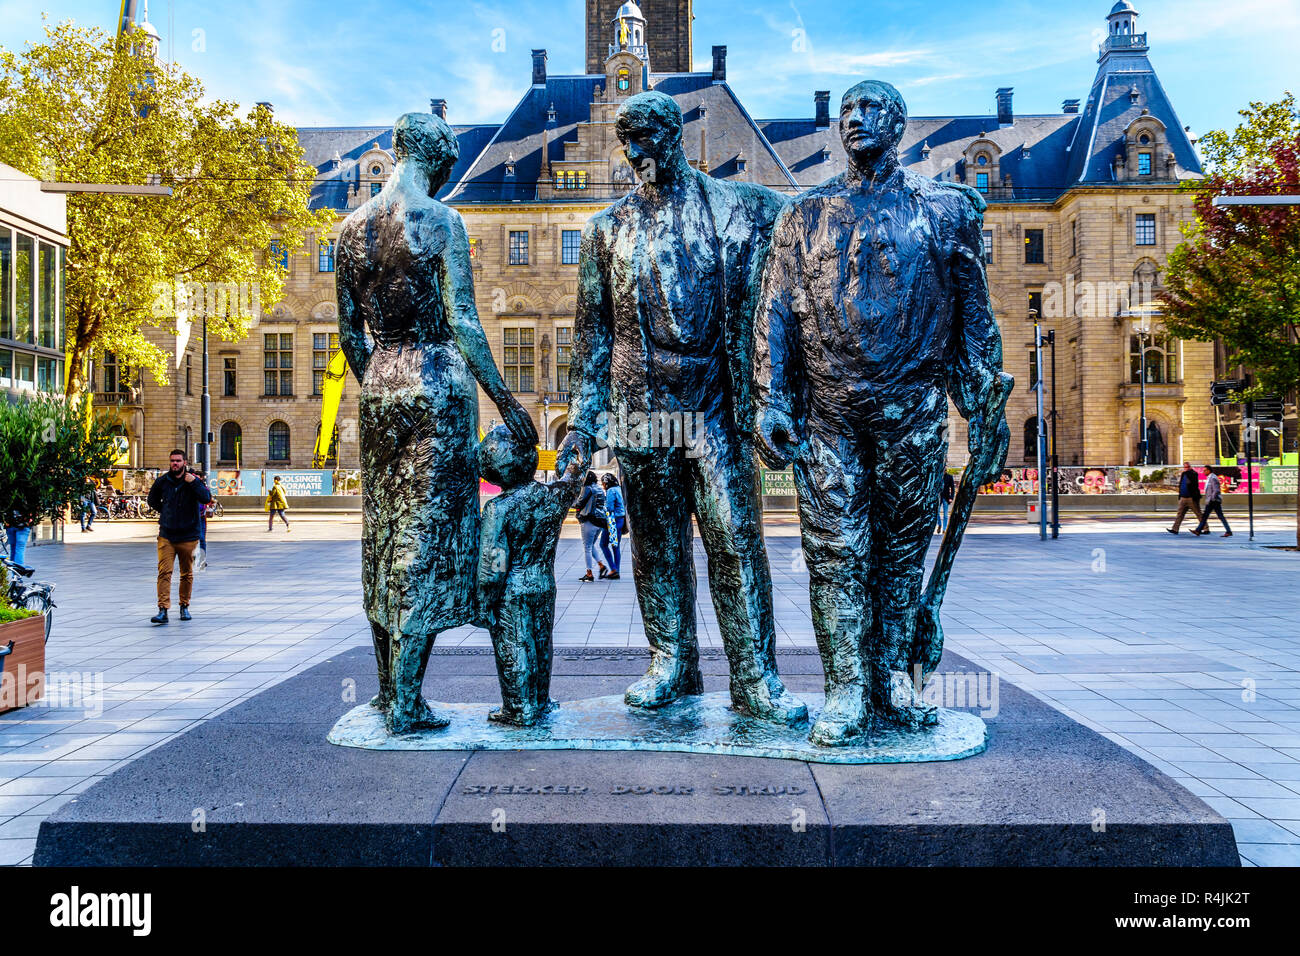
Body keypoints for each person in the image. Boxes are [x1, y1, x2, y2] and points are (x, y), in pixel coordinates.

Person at [755, 80, 1008, 744]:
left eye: (869, 110)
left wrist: (984, 403)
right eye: (846, 113)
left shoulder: (946, 211)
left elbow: (973, 317)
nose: (854, 121)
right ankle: (845, 692)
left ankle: (893, 680)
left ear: (898, 123)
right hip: (828, 419)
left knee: (900, 554)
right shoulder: (801, 215)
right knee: (836, 555)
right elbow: (775, 313)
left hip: (914, 416)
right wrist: (772, 399)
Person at [559, 90, 807, 726]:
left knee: (734, 537)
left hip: (715, 408)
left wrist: (944, 206)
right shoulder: (604, 231)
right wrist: (584, 421)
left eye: (647, 141)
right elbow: (592, 336)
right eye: (627, 143)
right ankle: (671, 660)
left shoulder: (743, 207)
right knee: (656, 546)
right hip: (642, 410)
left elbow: (819, 214)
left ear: (675, 139)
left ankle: (755, 677)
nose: (635, 155)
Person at [336, 111, 537, 734]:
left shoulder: (349, 229)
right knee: (425, 534)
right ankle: (406, 702)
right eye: (448, 166)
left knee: (384, 527)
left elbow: (348, 333)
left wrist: (382, 378)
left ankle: (382, 687)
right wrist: (506, 402)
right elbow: (466, 324)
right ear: (436, 157)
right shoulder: (443, 222)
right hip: (436, 379)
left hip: (380, 382)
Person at [475, 426, 585, 725]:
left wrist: (485, 599)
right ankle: (540, 700)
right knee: (540, 643)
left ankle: (518, 707)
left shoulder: (499, 508)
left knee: (514, 646)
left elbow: (494, 562)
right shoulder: (551, 497)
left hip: (512, 588)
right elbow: (572, 483)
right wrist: (576, 459)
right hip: (543, 583)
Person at [146, 449, 212, 624]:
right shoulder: (162, 482)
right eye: (172, 461)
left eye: (178, 461)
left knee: (186, 574)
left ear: (185, 462)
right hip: (167, 535)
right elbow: (151, 500)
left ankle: (184, 606)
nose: (175, 464)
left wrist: (194, 483)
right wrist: (167, 512)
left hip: (188, 536)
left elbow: (206, 498)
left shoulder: (193, 481)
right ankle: (162, 610)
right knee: (164, 573)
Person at [573, 472, 608, 582]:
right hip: (600, 522)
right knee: (591, 545)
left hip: (589, 520)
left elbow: (579, 503)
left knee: (587, 547)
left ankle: (589, 573)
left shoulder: (587, 488)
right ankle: (601, 566)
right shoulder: (599, 488)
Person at [599, 473, 626, 580]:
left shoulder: (611, 491)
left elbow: (609, 508)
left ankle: (613, 569)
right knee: (616, 546)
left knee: (603, 544)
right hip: (620, 520)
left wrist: (601, 509)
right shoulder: (619, 488)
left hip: (612, 521)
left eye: (603, 483)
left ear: (607, 482)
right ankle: (617, 570)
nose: (603, 486)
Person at [1192, 468, 1232, 537]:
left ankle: (1198, 530)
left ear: (1209, 471)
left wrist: (1211, 499)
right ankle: (1198, 530)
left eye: (1205, 470)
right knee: (1207, 516)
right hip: (1212, 500)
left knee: (1210, 516)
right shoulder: (1210, 477)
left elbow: (1216, 490)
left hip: (1214, 501)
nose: (1203, 472)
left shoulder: (1213, 478)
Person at [1167, 461, 1203, 534]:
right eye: (1185, 467)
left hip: (1191, 498)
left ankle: (1206, 528)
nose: (1186, 469)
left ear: (1190, 467)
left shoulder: (1193, 473)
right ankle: (1175, 529)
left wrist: (1188, 472)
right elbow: (1181, 485)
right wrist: (1180, 496)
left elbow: (1194, 485)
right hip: (1183, 497)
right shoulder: (1184, 474)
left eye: (1187, 467)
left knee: (1198, 514)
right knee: (1180, 514)